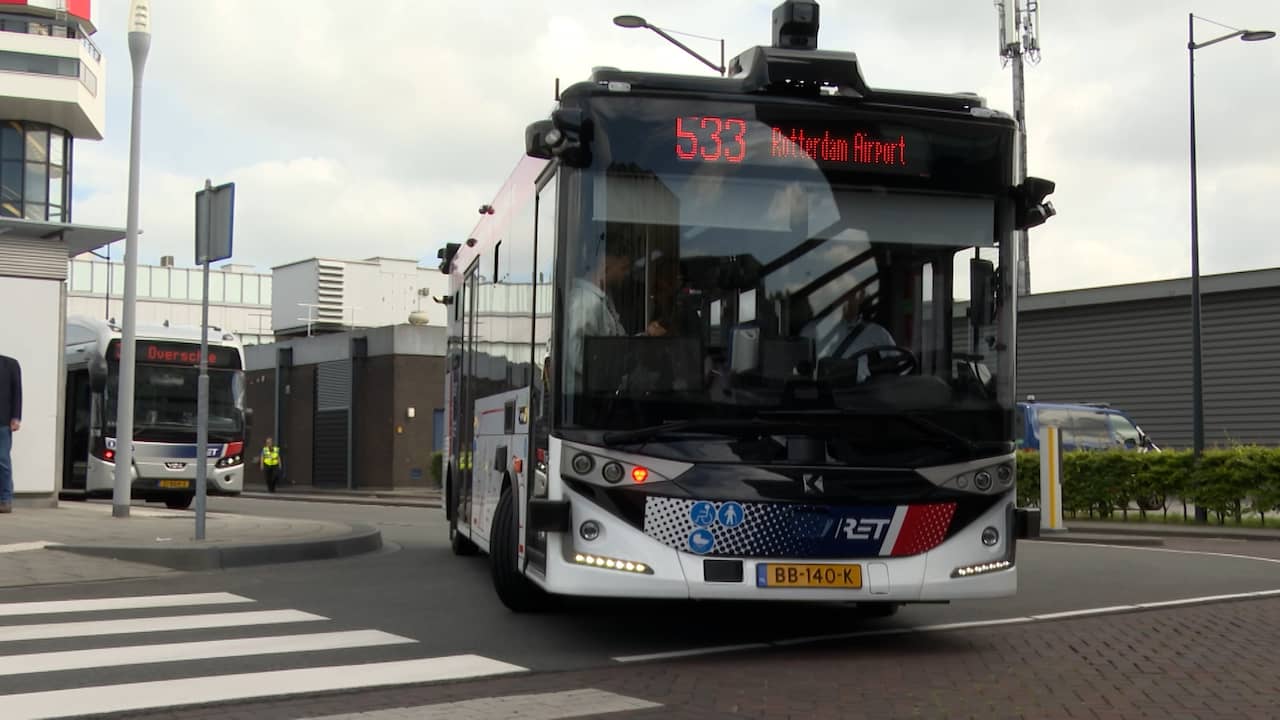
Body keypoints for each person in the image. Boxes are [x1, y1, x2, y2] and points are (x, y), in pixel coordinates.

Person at [824, 286, 895, 382]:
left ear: (860, 301)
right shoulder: (813, 330)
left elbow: (897, 363)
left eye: (853, 296)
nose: (848, 301)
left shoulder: (877, 332)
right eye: (844, 296)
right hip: (823, 389)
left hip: (862, 391)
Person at [0, 354, 21, 514]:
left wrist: (16, 417)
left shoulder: (10, 364)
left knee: (3, 461)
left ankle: (5, 500)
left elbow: (17, 392)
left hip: (3, 422)